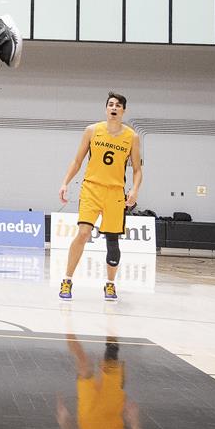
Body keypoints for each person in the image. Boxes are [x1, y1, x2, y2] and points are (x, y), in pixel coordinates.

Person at [56, 93, 143, 301]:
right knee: (83, 232)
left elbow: (137, 169)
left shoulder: (132, 137)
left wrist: (134, 189)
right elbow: (77, 161)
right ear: (106, 109)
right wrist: (65, 182)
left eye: (118, 105)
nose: (114, 108)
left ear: (123, 111)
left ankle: (110, 284)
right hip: (91, 189)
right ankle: (67, 280)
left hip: (115, 193)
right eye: (110, 104)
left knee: (112, 240)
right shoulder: (92, 131)